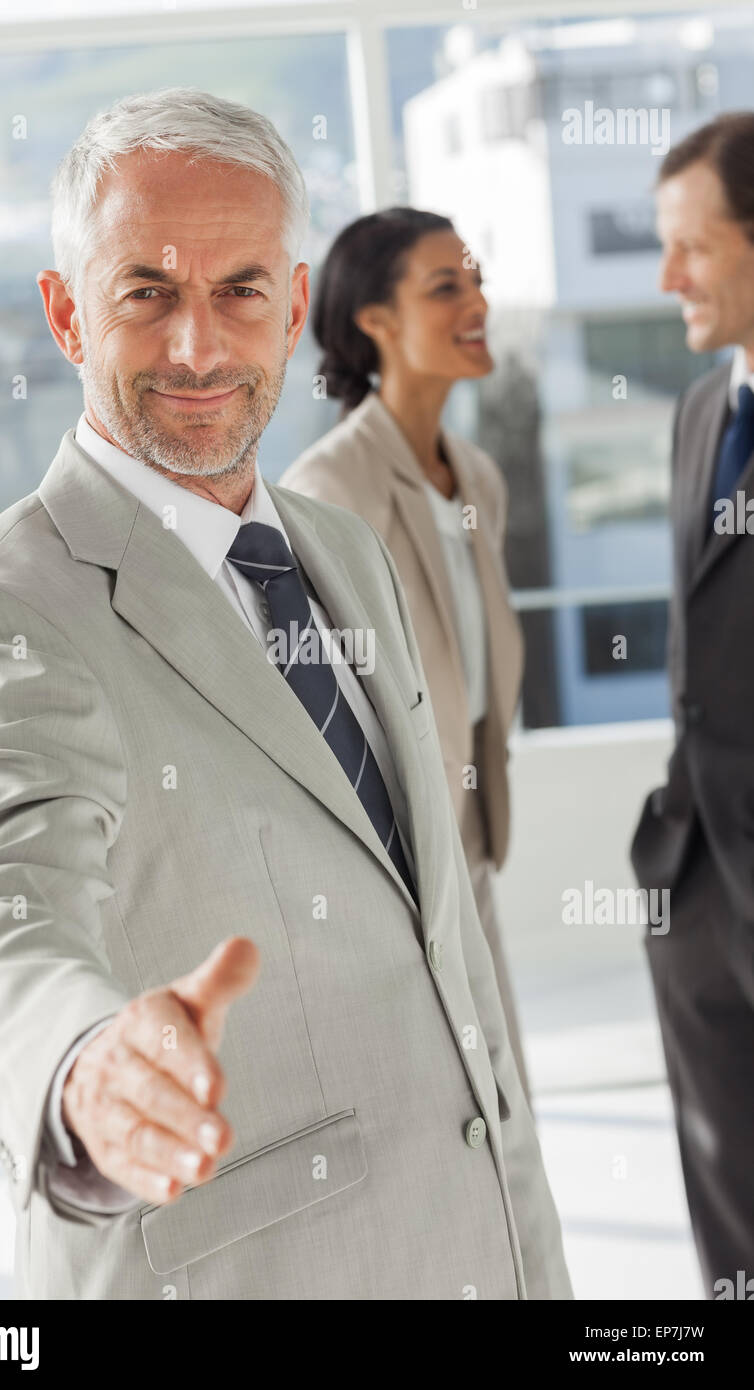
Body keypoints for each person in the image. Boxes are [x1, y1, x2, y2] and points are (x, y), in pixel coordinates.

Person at [0, 88, 570, 1301]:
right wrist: (75, 1066)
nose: (196, 347)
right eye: (144, 291)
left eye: (239, 291)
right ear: (64, 314)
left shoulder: (339, 548)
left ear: (295, 304)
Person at [280, 209, 530, 1100]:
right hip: (398, 845)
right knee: (449, 1094)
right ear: (375, 322)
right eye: (446, 287)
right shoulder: (329, 490)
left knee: (506, 1091)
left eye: (476, 280)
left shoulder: (477, 478)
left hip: (471, 823)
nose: (478, 303)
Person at [631, 111, 754, 1298]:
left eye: (691, 246)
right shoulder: (697, 413)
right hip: (695, 879)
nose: (664, 276)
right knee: (727, 1219)